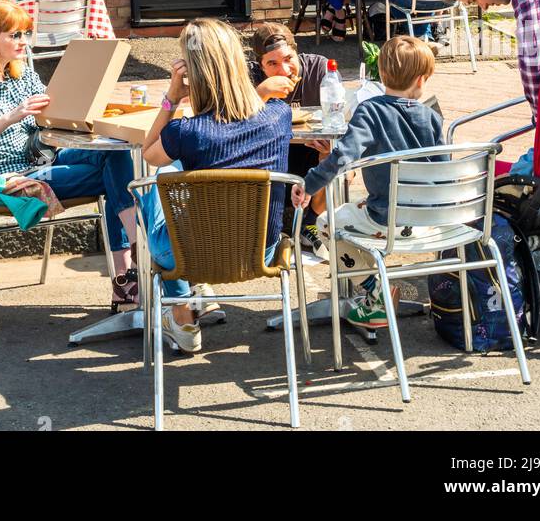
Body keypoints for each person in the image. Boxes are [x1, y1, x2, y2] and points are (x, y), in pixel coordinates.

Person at [0, 0, 139, 312]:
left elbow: (58, 113)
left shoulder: (24, 76)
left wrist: (86, 92)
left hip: (42, 160)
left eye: (26, 34)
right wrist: (12, 115)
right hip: (7, 176)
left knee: (114, 151)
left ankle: (132, 259)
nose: (23, 42)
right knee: (112, 174)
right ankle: (133, 269)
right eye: (14, 35)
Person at [138, 18, 293, 354]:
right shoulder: (279, 114)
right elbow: (239, 120)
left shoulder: (187, 132)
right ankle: (190, 301)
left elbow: (149, 154)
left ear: (191, 72)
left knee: (160, 179)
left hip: (190, 254)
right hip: (260, 251)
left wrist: (172, 97)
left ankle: (181, 310)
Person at [292, 35, 444, 328]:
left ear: (382, 74)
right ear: (423, 80)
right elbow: (441, 168)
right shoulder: (431, 117)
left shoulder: (371, 111)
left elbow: (342, 157)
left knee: (326, 224)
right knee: (354, 215)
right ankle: (375, 295)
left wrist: (310, 184)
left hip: (383, 218)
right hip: (428, 221)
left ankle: (376, 288)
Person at [248, 22, 330, 263]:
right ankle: (268, 224)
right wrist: (261, 93)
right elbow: (232, 124)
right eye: (272, 63)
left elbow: (340, 117)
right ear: (260, 65)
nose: (283, 70)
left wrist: (330, 151)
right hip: (269, 156)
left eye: (288, 59)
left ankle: (312, 221)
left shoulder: (318, 69)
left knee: (336, 160)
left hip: (310, 152)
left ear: (297, 52)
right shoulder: (249, 77)